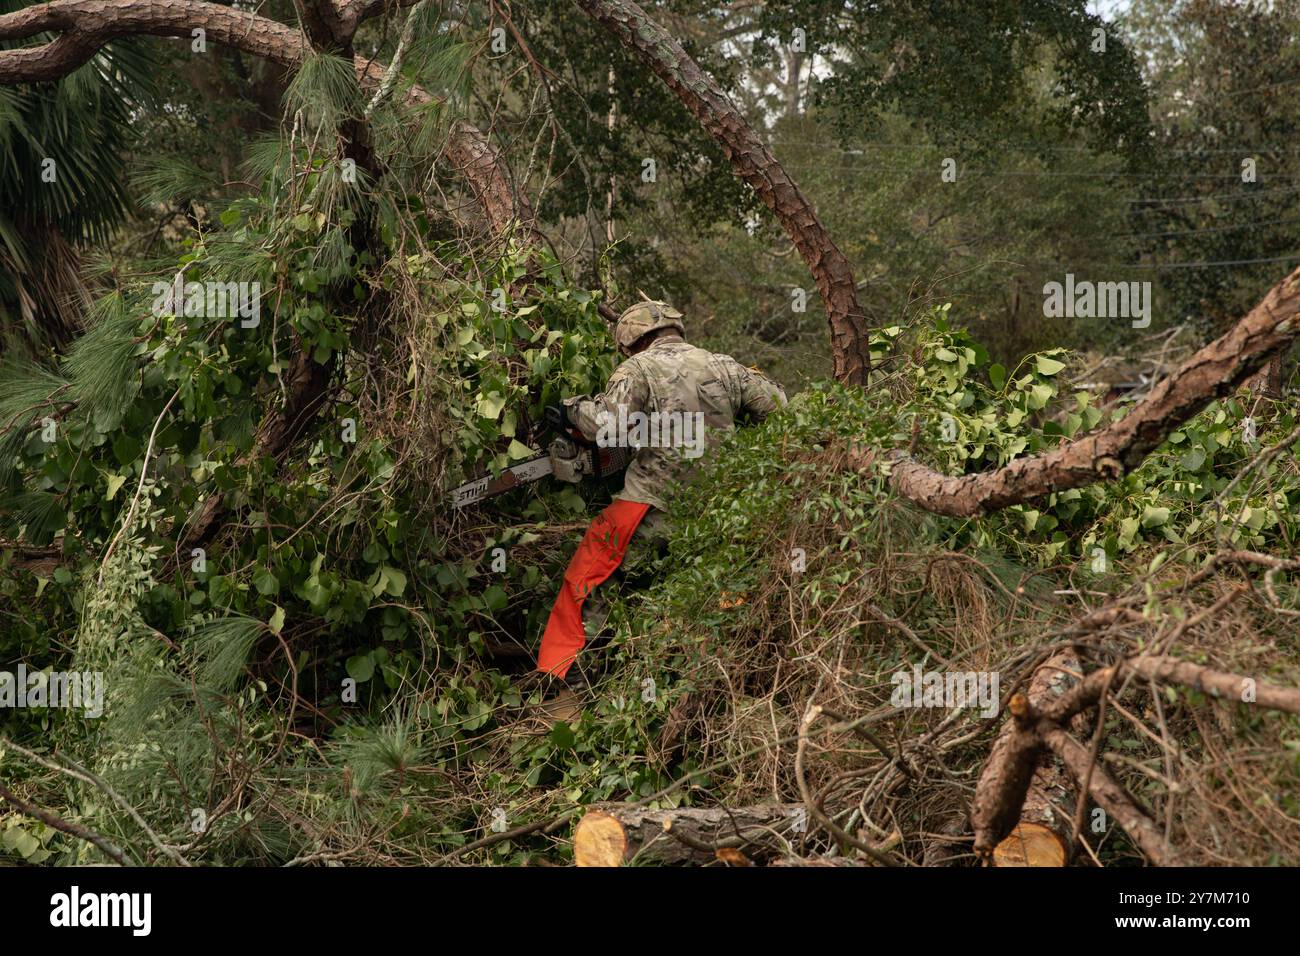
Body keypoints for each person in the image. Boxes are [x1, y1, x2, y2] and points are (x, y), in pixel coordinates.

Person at [529, 299, 785, 715]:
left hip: (652, 503)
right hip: (718, 513)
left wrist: (572, 410)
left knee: (587, 579)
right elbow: (780, 408)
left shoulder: (638, 369)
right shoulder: (725, 366)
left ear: (632, 341)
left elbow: (607, 425)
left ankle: (570, 695)